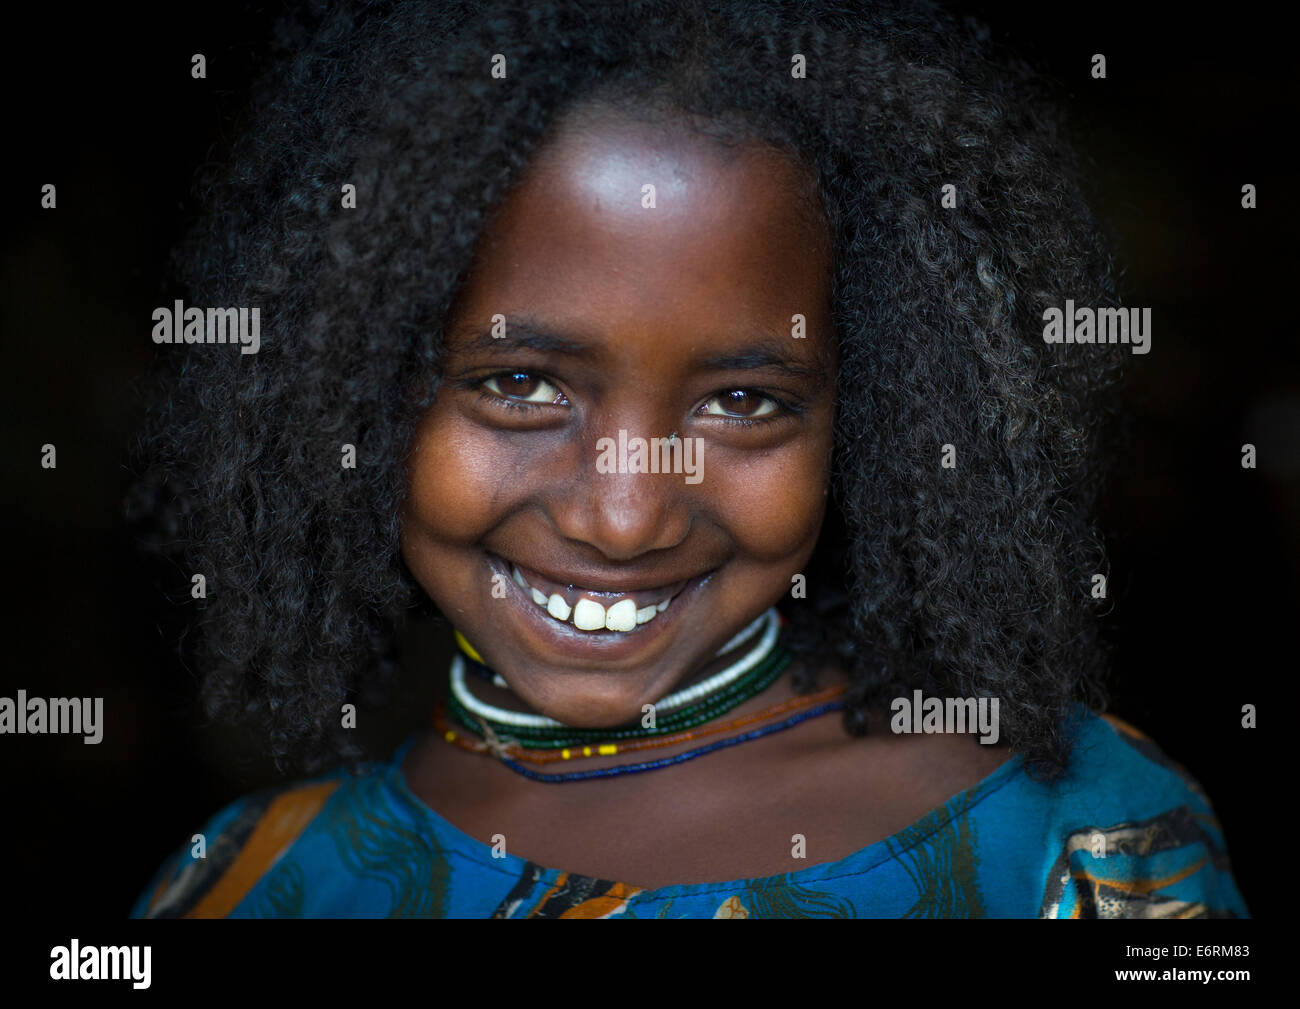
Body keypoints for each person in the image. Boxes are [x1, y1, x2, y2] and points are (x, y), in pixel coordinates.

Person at [128, 0, 1247, 918]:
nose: (624, 518)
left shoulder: (1070, 842)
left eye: (744, 401)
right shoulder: (252, 882)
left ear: (873, 422)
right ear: (358, 393)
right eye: (518, 385)